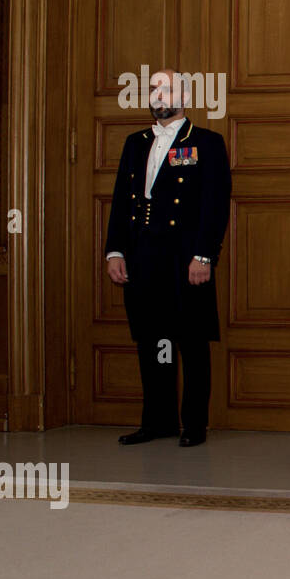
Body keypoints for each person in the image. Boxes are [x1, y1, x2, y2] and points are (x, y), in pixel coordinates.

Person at [105, 68, 232, 448]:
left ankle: (194, 424)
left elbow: (215, 205)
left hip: (186, 257)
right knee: (153, 341)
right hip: (143, 257)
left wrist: (204, 256)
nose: (159, 94)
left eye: (167, 88)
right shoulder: (135, 142)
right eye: (154, 88)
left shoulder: (206, 142)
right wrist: (115, 250)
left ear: (184, 96)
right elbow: (120, 201)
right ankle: (158, 420)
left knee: (191, 342)